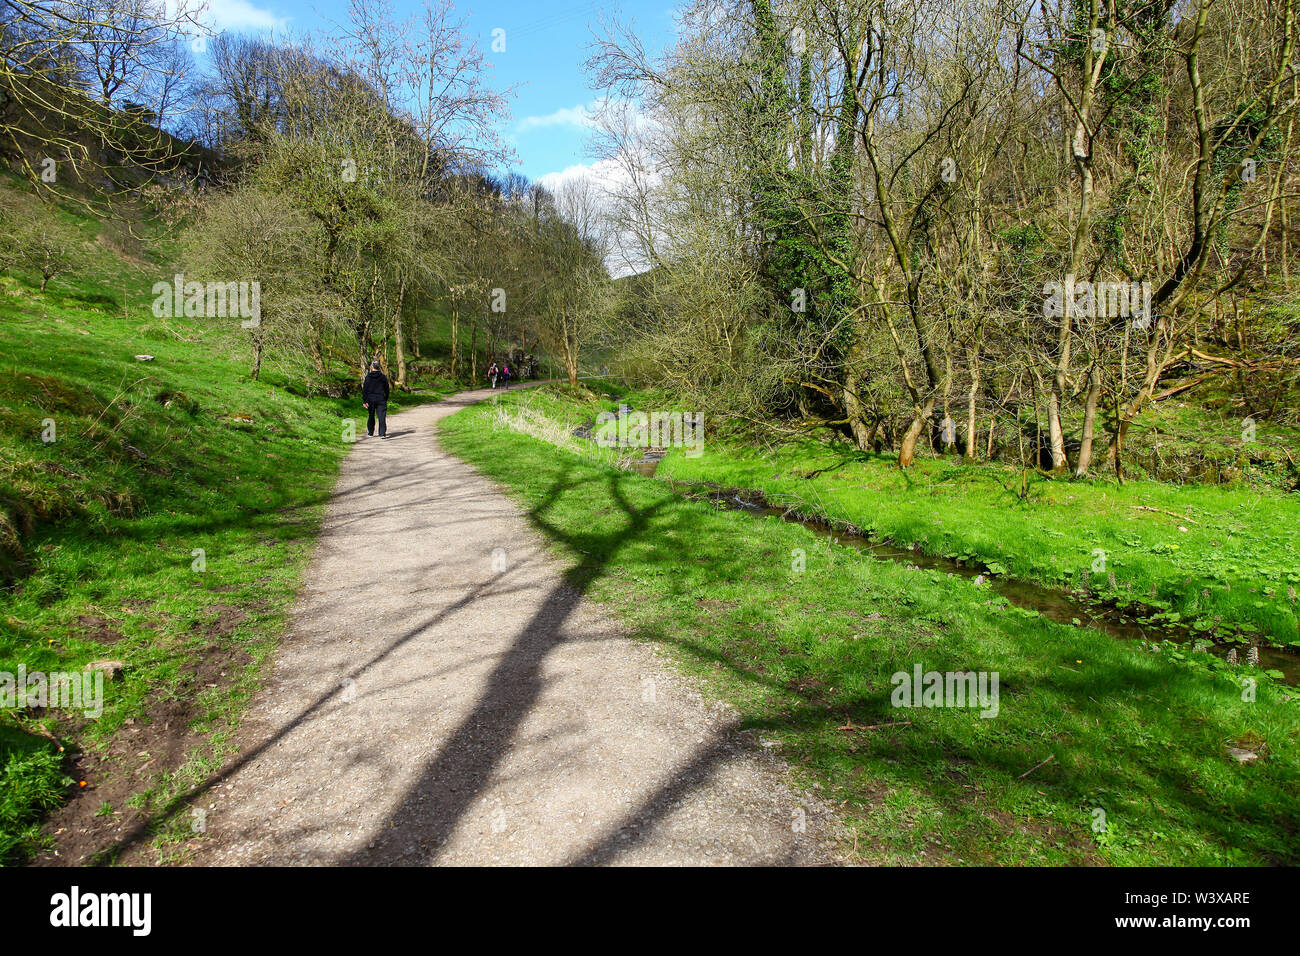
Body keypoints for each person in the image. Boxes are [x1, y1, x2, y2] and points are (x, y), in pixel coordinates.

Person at [362, 360, 390, 438]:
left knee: (371, 415)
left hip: (370, 399)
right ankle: (382, 434)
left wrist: (364, 401)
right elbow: (387, 389)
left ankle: (370, 432)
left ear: (372, 366)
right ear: (379, 367)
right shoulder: (383, 377)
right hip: (381, 399)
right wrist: (386, 398)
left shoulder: (368, 377)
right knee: (381, 416)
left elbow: (365, 390)